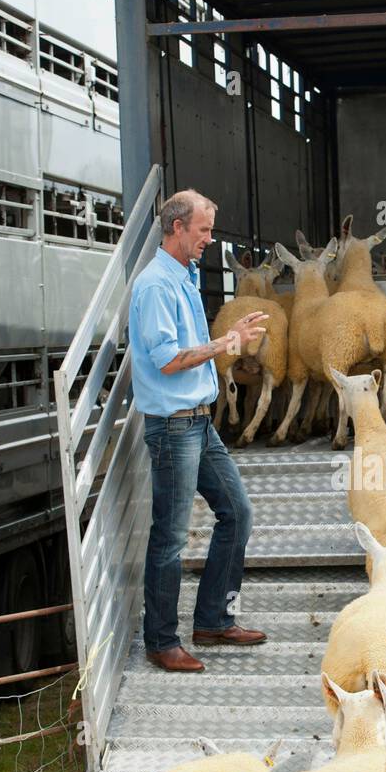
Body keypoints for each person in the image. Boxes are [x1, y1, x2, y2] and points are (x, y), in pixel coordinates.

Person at [128, 188, 269, 672]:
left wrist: (224, 341)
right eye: (204, 229)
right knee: (169, 536)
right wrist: (228, 342)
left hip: (199, 425)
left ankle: (212, 619)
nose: (210, 238)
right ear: (176, 228)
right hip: (173, 428)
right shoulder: (156, 286)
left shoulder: (184, 277)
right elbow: (168, 361)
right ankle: (161, 641)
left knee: (237, 512)